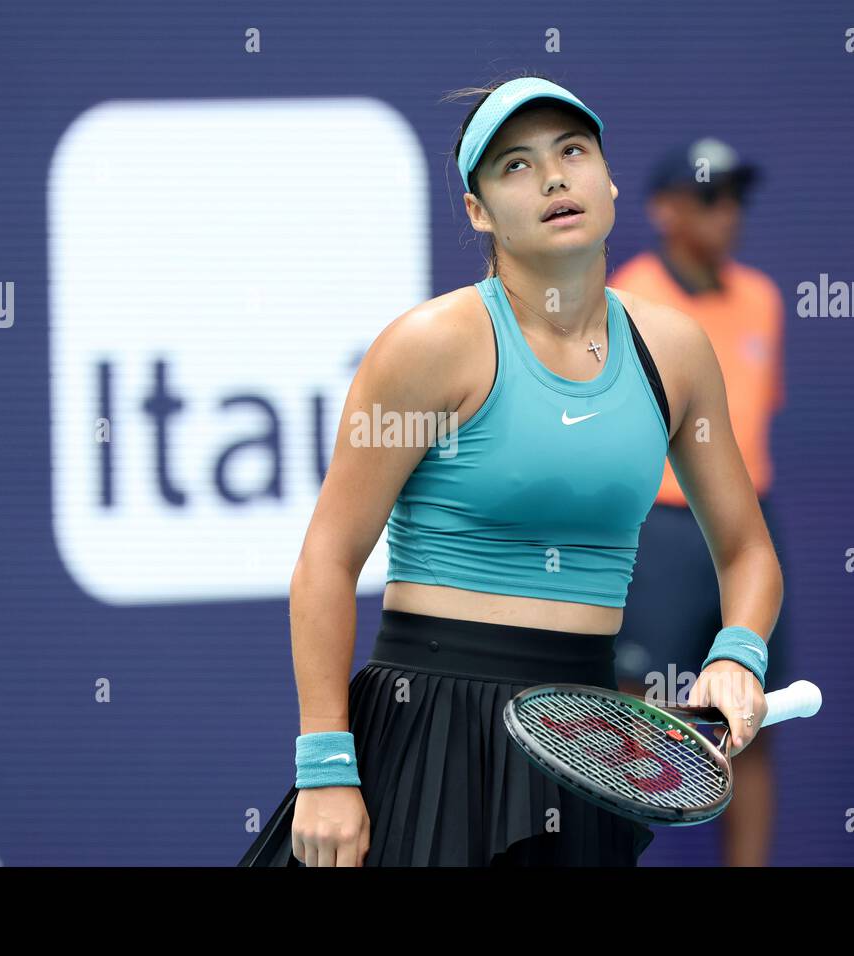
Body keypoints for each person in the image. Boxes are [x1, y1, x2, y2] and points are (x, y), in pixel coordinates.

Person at [238, 73, 783, 867]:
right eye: (516, 165)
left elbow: (747, 550)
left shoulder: (676, 351)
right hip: (427, 728)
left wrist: (737, 653)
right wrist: (326, 767)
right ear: (478, 211)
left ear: (609, 178)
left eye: (573, 151)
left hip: (589, 737)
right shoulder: (426, 347)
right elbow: (326, 559)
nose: (555, 177)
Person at [607, 137, 791, 866]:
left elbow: (752, 420)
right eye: (710, 197)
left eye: (736, 199)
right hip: (660, 533)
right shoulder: (625, 298)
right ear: (665, 211)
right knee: (630, 718)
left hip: (748, 530)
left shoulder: (766, 301)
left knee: (755, 715)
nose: (728, 214)